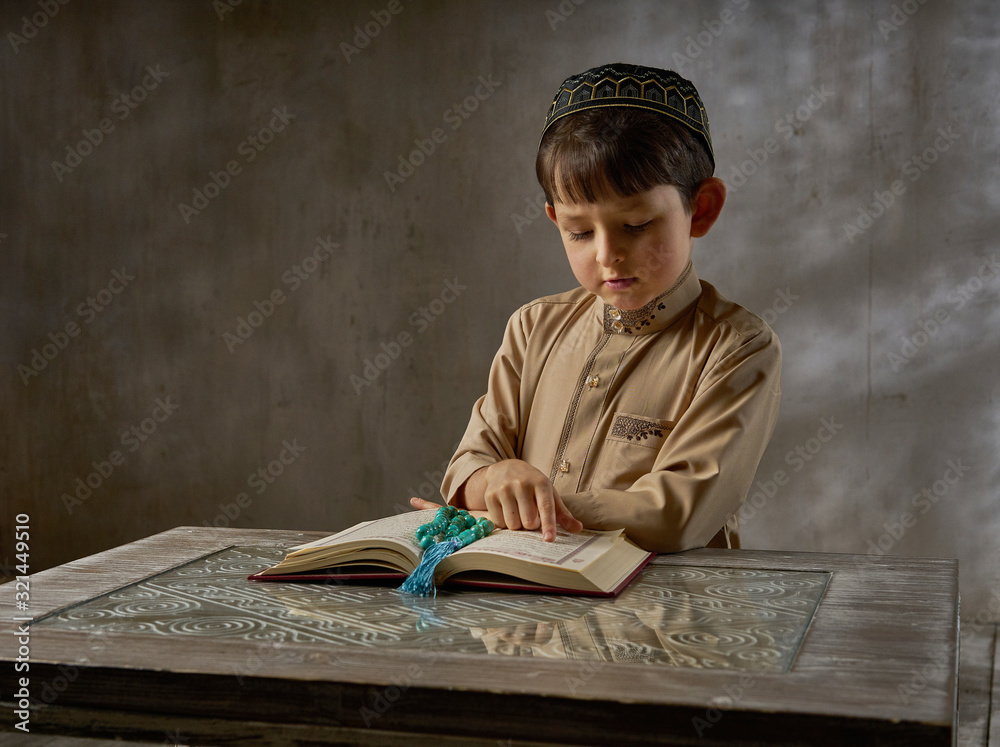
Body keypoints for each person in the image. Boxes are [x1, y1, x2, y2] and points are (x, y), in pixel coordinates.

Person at [410, 63, 781, 553]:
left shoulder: (736, 349)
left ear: (703, 208)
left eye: (636, 224)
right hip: (527, 615)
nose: (607, 255)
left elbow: (677, 513)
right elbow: (469, 463)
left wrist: (525, 509)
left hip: (665, 620)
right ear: (554, 219)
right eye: (579, 232)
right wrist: (498, 478)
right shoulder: (533, 327)